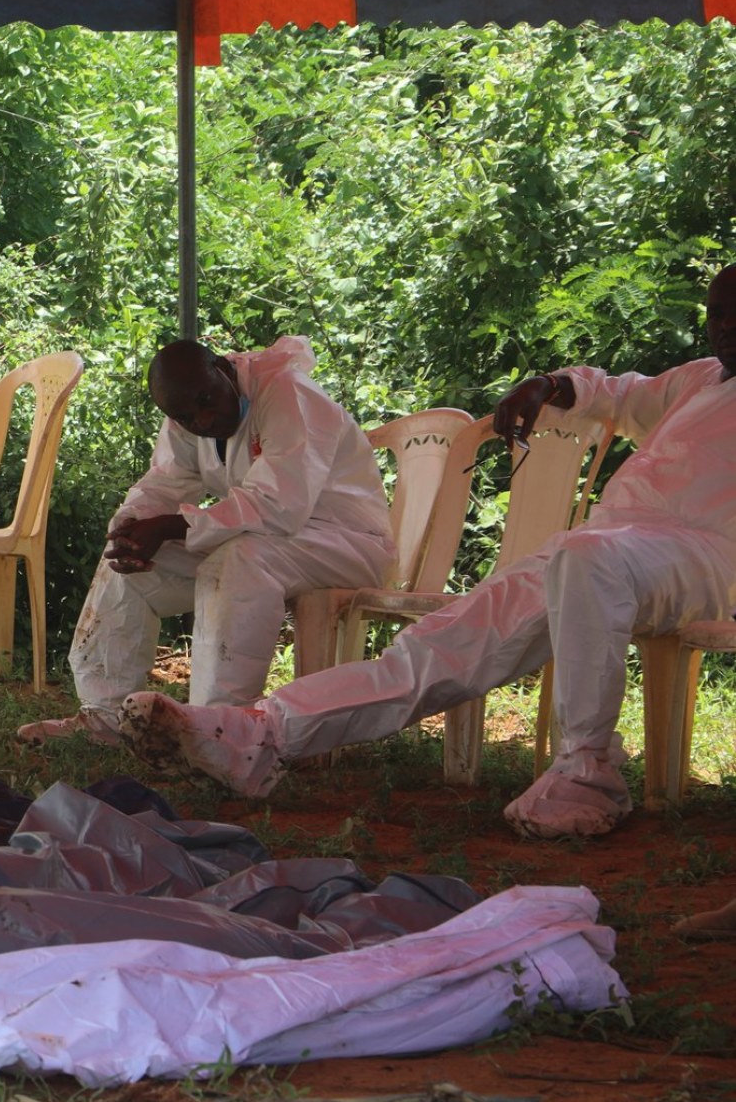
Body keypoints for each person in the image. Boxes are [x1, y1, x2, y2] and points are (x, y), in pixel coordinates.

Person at [113, 265, 736, 840]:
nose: (726, 327)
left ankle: (586, 772)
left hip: (703, 553)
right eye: (717, 314)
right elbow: (622, 395)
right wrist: (548, 385)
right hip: (606, 546)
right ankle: (263, 734)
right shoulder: (703, 379)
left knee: (588, 557)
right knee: (437, 645)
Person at [18, 335, 394, 746]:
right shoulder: (185, 416)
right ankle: (107, 718)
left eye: (207, 400)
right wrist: (131, 528)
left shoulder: (288, 393)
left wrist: (168, 526)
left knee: (239, 557)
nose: (203, 419)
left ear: (223, 367)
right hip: (272, 542)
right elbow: (164, 483)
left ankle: (220, 734)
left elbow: (279, 506)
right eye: (186, 416)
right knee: (130, 566)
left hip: (347, 543)